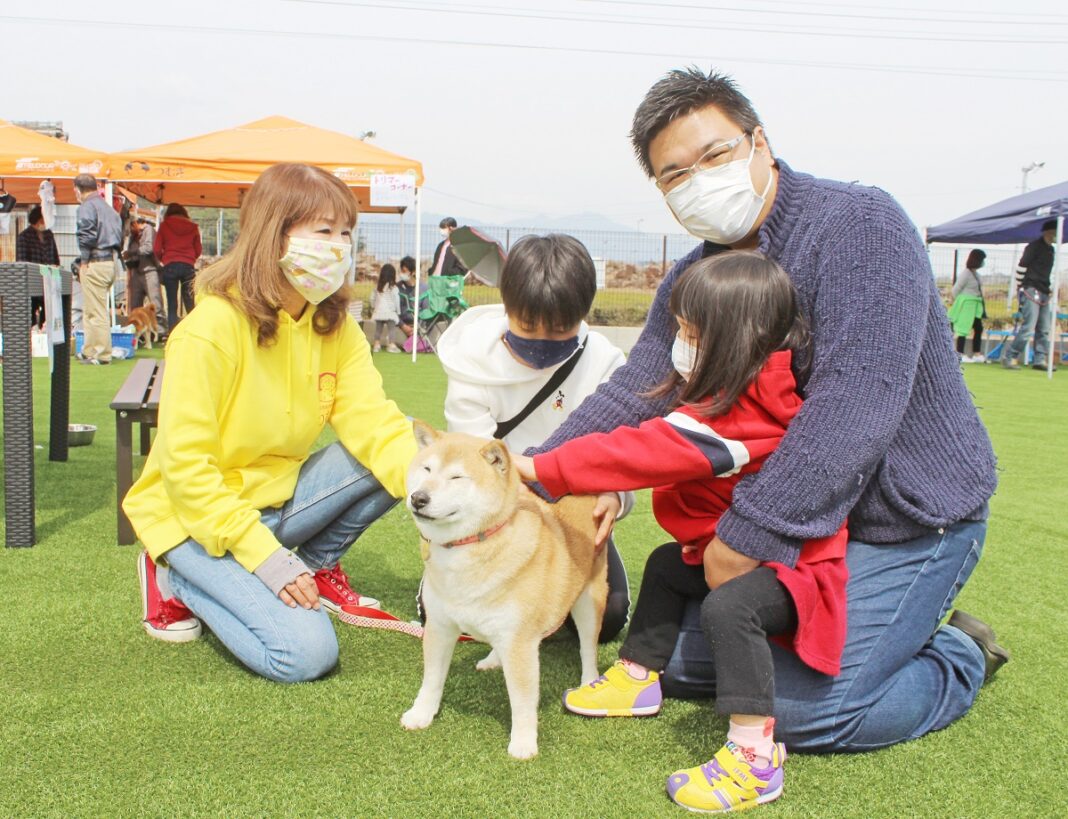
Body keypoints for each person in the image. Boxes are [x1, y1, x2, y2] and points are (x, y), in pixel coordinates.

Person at [530, 68, 1005, 757]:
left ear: (760, 143)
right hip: (811, 533)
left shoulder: (858, 226)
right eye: (673, 175)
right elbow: (641, 383)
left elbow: (858, 400)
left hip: (908, 519)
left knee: (798, 712)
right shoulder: (697, 273)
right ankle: (873, 633)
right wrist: (540, 477)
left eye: (714, 155)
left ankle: (957, 651)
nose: (698, 179)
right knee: (685, 662)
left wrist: (751, 530)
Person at [516, 252, 848, 813]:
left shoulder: (746, 416)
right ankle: (638, 677)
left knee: (730, 610)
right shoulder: (730, 393)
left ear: (733, 341)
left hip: (792, 573)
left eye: (691, 333)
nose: (681, 344)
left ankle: (754, 756)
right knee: (669, 565)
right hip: (728, 554)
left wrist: (539, 467)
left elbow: (646, 450)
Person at [123, 163, 416, 683]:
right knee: (305, 656)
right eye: (322, 231)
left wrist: (442, 503)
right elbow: (188, 471)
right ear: (271, 235)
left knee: (408, 454)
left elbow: (376, 425)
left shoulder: (335, 327)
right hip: (194, 518)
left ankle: (316, 565)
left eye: (346, 232)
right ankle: (174, 577)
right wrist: (265, 559)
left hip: (279, 503)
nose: (338, 246)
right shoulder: (210, 330)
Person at [436, 233, 631, 641]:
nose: (542, 342)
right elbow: (476, 469)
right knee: (463, 615)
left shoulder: (605, 363)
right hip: (497, 512)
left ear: (583, 314)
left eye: (560, 331)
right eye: (527, 327)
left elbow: (619, 454)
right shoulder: (472, 361)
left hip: (571, 510)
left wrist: (614, 495)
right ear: (507, 307)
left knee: (606, 618)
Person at [73, 174, 123, 365]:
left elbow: (86, 233)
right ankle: (89, 350)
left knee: (97, 311)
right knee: (90, 309)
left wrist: (84, 261)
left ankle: (102, 354)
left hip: (95, 262)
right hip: (111, 262)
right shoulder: (109, 209)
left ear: (78, 189)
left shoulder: (87, 207)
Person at [1002, 219, 1057, 370]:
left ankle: (1039, 360)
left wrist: (1049, 288)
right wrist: (1020, 287)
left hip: (1045, 291)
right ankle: (1010, 356)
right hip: (1030, 289)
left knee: (1044, 328)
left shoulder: (1051, 250)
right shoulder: (1033, 247)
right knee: (1028, 326)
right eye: (1054, 231)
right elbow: (1021, 267)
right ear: (1048, 232)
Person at [154, 203, 202, 330]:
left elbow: (157, 248)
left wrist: (164, 259)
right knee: (189, 301)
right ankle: (194, 330)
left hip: (170, 264)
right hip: (188, 265)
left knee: (172, 303)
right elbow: (198, 249)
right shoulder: (193, 227)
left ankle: (172, 334)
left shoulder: (164, 226)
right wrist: (191, 259)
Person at [15, 205, 60, 328]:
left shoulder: (49, 235)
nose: (45, 223)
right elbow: (21, 262)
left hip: (49, 282)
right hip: (32, 283)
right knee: (31, 315)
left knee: (50, 315)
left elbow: (55, 257)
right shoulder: (24, 237)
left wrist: (56, 269)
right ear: (37, 220)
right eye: (43, 219)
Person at [124, 218, 167, 335]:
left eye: (131, 227)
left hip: (150, 271)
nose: (130, 230)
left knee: (155, 303)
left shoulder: (148, 230)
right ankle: (137, 332)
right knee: (135, 305)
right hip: (136, 272)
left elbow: (149, 248)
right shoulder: (133, 236)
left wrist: (132, 252)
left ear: (136, 223)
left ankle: (161, 332)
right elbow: (132, 251)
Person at [948, 249, 986, 363]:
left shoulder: (976, 274)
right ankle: (960, 353)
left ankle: (977, 353)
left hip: (975, 306)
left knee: (978, 328)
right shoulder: (966, 274)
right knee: (962, 329)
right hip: (966, 306)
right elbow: (955, 290)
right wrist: (956, 302)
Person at [370, 262, 402, 353]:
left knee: (378, 329)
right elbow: (396, 300)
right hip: (390, 312)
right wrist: (398, 311)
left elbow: (372, 298)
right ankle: (391, 345)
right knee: (392, 328)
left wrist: (374, 307)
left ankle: (376, 345)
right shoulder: (394, 288)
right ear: (393, 275)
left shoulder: (377, 287)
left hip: (379, 311)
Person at [397, 255, 417, 338]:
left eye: (404, 271)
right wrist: (403, 326)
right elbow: (393, 311)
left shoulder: (422, 288)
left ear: (413, 272)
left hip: (417, 325)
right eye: (401, 271)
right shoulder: (397, 288)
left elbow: (425, 310)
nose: (401, 274)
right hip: (401, 324)